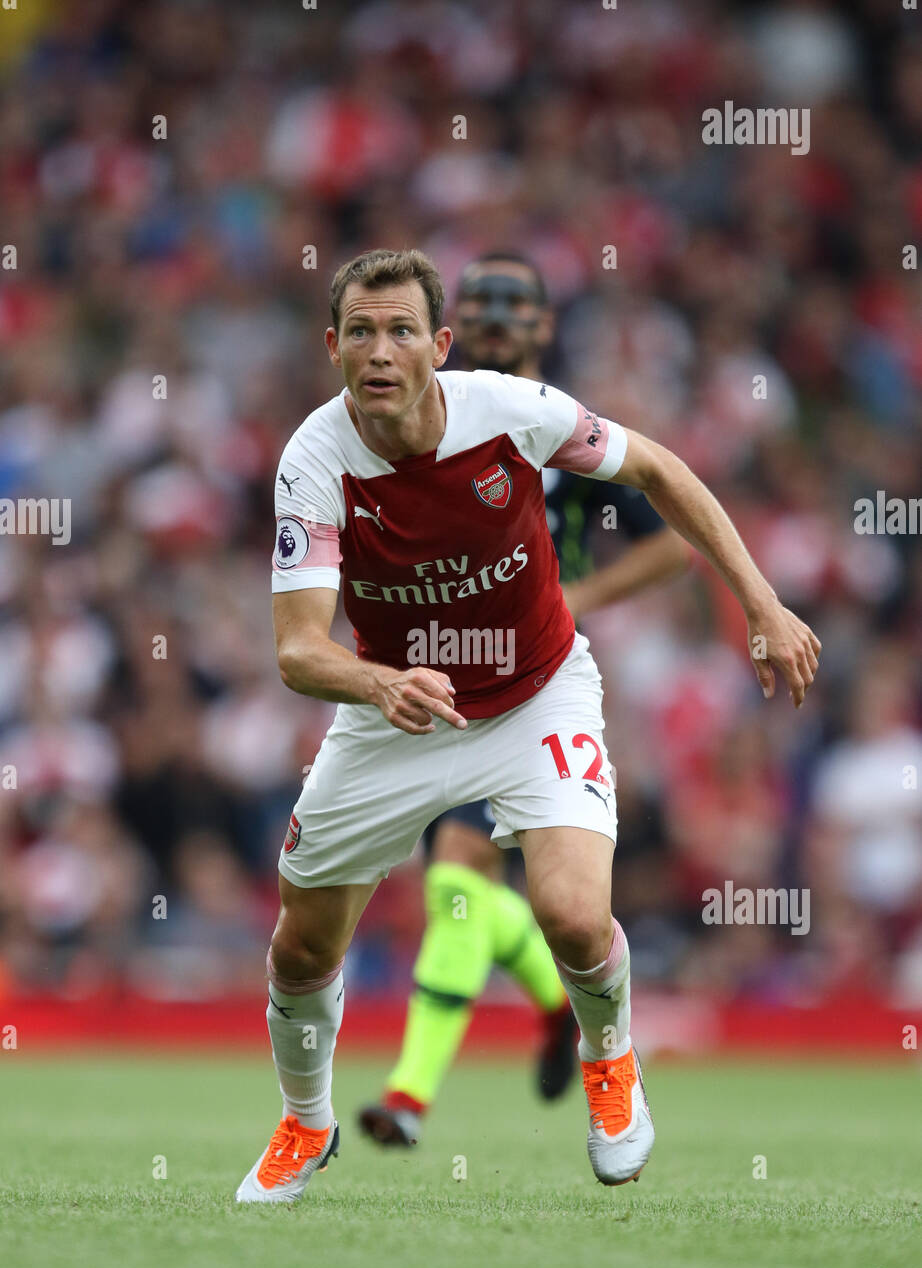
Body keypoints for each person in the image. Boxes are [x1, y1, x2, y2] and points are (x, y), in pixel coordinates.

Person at [236, 248, 820, 1204]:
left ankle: (611, 1061)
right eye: (363, 333)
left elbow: (663, 471)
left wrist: (761, 603)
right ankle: (307, 1121)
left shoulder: (513, 412)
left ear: (440, 345)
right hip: (399, 711)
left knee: (575, 916)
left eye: (403, 331)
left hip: (537, 692)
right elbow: (299, 649)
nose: (381, 352)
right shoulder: (313, 459)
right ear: (332, 345)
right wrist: (380, 685)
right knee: (301, 949)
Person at [356, 252, 690, 1146]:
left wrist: (575, 599)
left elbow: (669, 544)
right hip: (445, 689)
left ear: (545, 326)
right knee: (459, 886)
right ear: (452, 324)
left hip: (543, 689)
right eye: (483, 301)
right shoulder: (425, 423)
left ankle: (547, 1021)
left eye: (518, 303)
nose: (500, 315)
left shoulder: (556, 431)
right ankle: (417, 1092)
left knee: (549, 903)